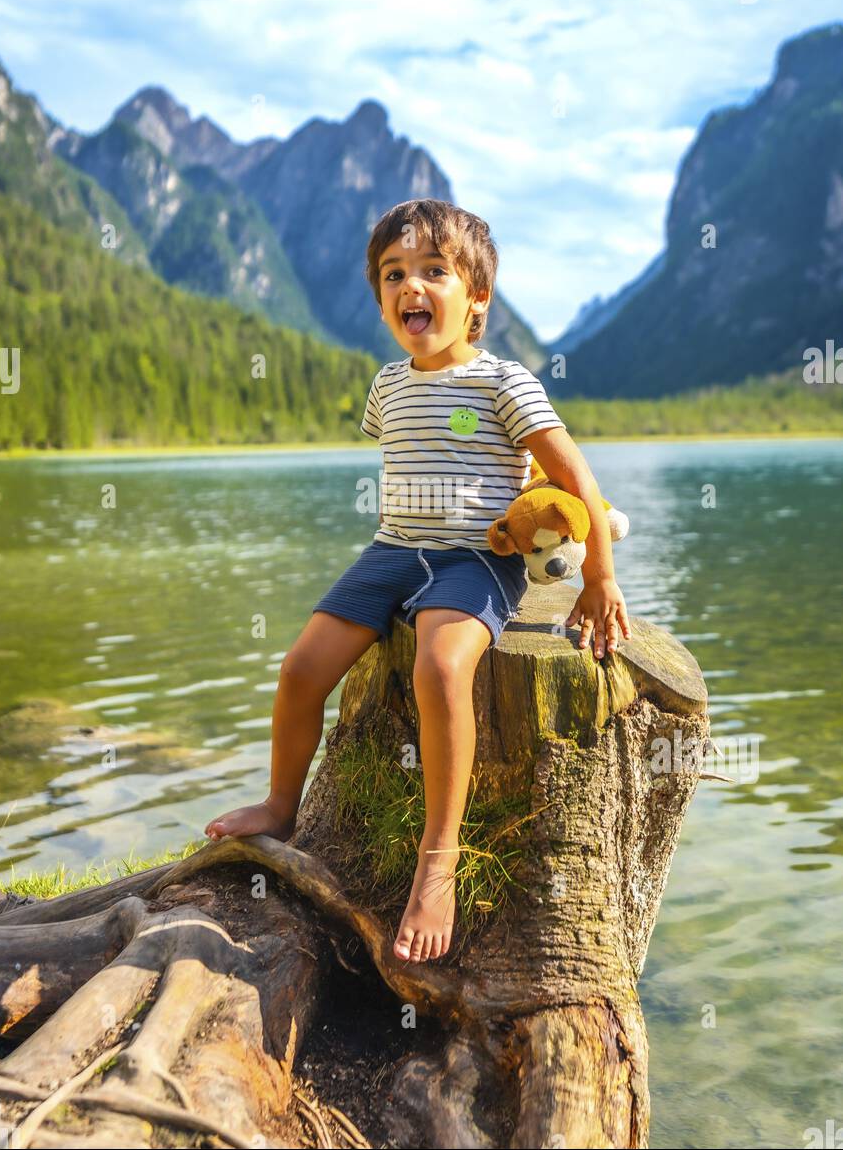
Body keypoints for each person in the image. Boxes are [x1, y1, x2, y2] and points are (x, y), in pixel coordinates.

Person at [205, 198, 630, 965]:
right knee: (300, 668)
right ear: (381, 298)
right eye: (395, 274)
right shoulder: (387, 388)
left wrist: (599, 576)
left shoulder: (505, 382)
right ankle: (280, 805)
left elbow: (575, 475)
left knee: (440, 666)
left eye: (436, 271)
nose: (414, 287)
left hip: (478, 559)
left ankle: (439, 860)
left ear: (476, 300)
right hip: (393, 551)